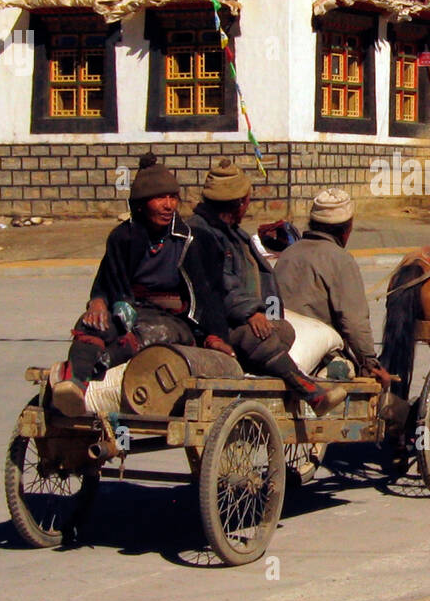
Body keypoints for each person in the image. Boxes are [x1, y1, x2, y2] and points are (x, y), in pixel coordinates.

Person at [52, 153, 234, 416]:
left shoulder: (193, 240)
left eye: (172, 198)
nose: (168, 205)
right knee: (91, 323)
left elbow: (210, 293)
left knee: (152, 333)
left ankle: (99, 366)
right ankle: (75, 385)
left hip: (175, 320)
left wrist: (215, 335)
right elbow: (106, 280)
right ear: (140, 204)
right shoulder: (123, 237)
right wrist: (98, 302)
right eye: (160, 198)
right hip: (129, 309)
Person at [188, 159, 347, 414]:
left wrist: (265, 313)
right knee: (259, 336)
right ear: (239, 203)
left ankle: (266, 376)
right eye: (248, 199)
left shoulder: (232, 233)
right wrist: (250, 312)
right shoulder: (203, 233)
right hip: (211, 322)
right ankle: (309, 391)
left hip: (234, 316)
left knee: (282, 332)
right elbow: (217, 283)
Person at [274, 188, 393, 390]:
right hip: (318, 358)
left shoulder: (287, 255)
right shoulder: (341, 260)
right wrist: (369, 362)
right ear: (347, 230)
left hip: (279, 350)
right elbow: (354, 322)